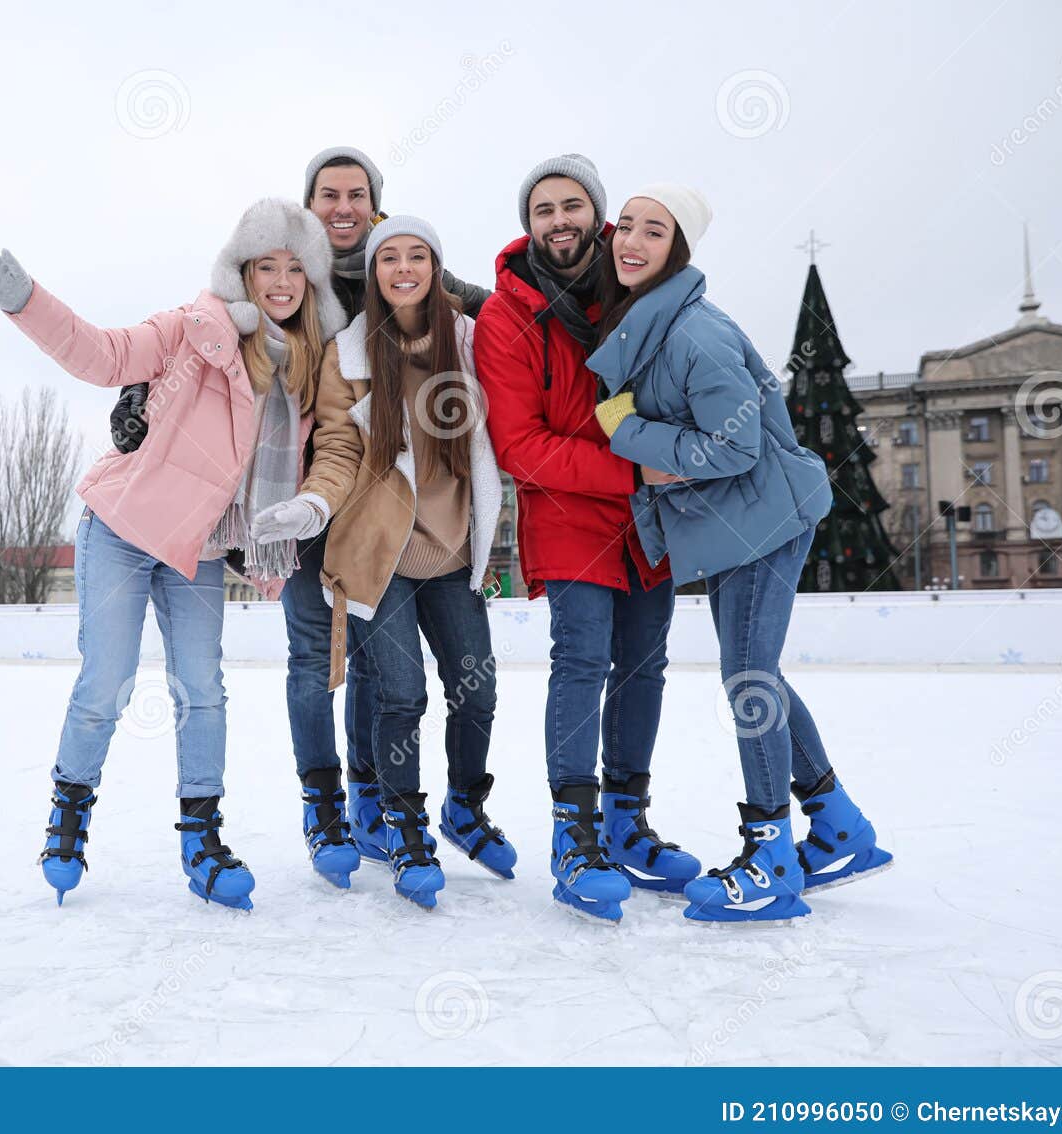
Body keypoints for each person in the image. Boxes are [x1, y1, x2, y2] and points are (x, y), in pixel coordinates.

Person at [108, 150, 496, 881]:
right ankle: (324, 808)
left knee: (384, 671)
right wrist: (136, 395)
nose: (342, 206)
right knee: (317, 658)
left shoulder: (400, 266)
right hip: (293, 494)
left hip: (377, 508)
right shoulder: (284, 275)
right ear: (309, 205)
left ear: (376, 207)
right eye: (329, 194)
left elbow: (497, 302)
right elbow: (192, 334)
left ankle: (371, 800)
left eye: (357, 194)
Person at [0, 198, 346, 910]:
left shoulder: (307, 371)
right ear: (243, 271)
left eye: (296, 267)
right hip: (123, 526)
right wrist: (24, 299)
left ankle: (203, 837)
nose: (282, 281)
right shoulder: (193, 328)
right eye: (268, 266)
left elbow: (320, 456)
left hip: (197, 547)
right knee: (109, 679)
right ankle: (69, 814)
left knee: (203, 687)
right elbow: (103, 354)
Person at [588, 183, 893, 924]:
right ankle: (838, 823)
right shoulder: (649, 326)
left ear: (678, 250)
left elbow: (734, 443)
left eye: (653, 231)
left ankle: (770, 857)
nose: (632, 240)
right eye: (625, 226)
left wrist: (627, 433)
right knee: (761, 674)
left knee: (749, 676)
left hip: (764, 523)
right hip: (736, 529)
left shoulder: (695, 333)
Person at [253, 216, 515, 910]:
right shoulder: (351, 352)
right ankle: (405, 827)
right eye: (389, 257)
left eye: (417, 255)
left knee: (477, 691)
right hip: (382, 552)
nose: (403, 267)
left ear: (435, 265)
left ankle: (464, 804)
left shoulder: (468, 336)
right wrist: (312, 503)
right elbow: (338, 446)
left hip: (454, 550)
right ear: (371, 272)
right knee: (400, 694)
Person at [474, 155, 696, 924]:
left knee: (645, 665)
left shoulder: (634, 283)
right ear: (528, 223)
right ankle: (574, 834)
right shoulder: (507, 318)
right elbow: (520, 446)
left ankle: (626, 822)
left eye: (572, 206)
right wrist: (635, 473)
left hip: (650, 520)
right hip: (570, 513)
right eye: (543, 209)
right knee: (583, 659)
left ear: (594, 214)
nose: (558, 220)